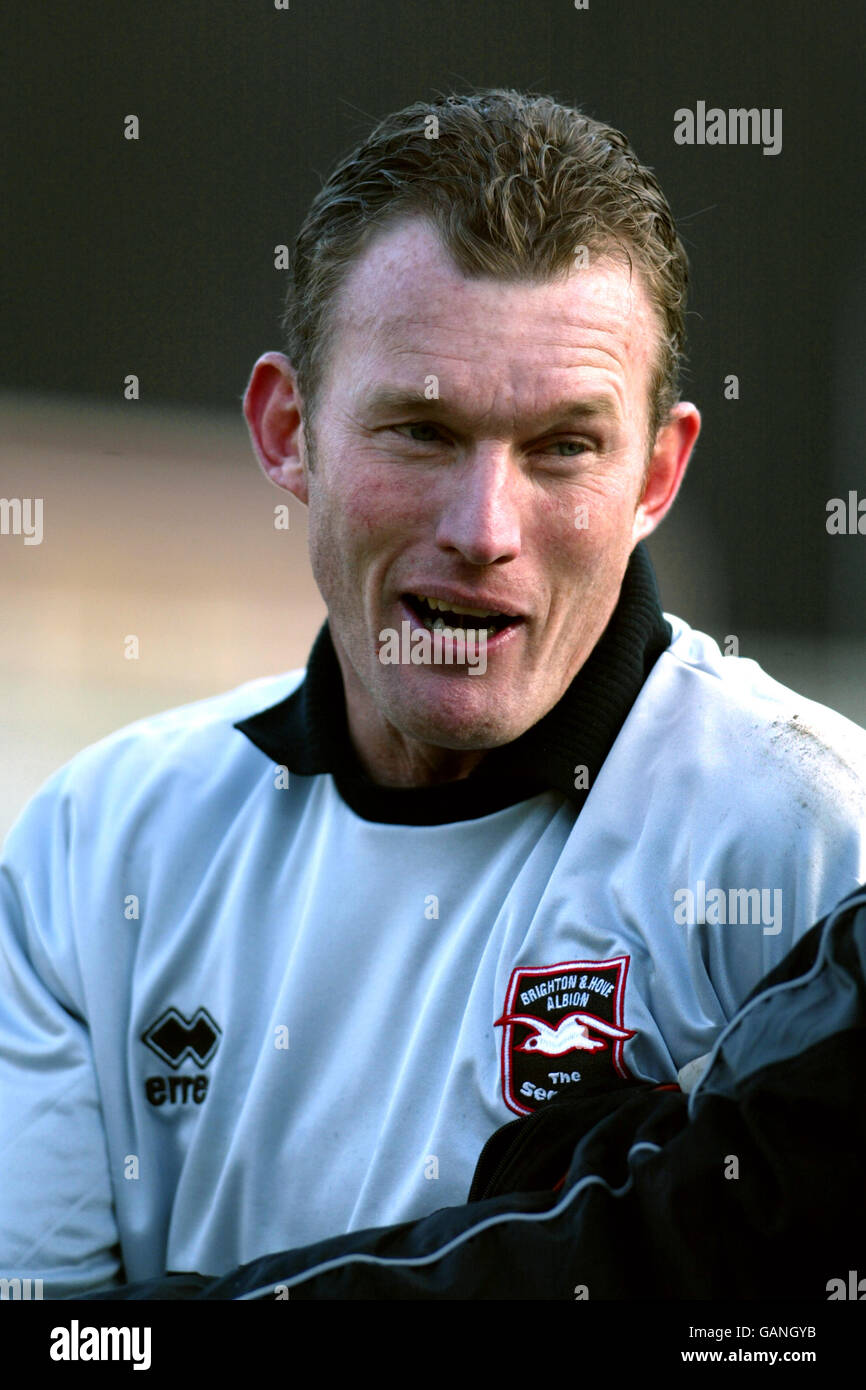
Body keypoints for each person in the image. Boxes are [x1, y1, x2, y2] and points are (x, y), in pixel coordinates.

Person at [2, 88, 865, 1301]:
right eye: (420, 429)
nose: (485, 530)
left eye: (564, 446)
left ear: (656, 473)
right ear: (287, 430)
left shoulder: (816, 839)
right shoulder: (98, 846)